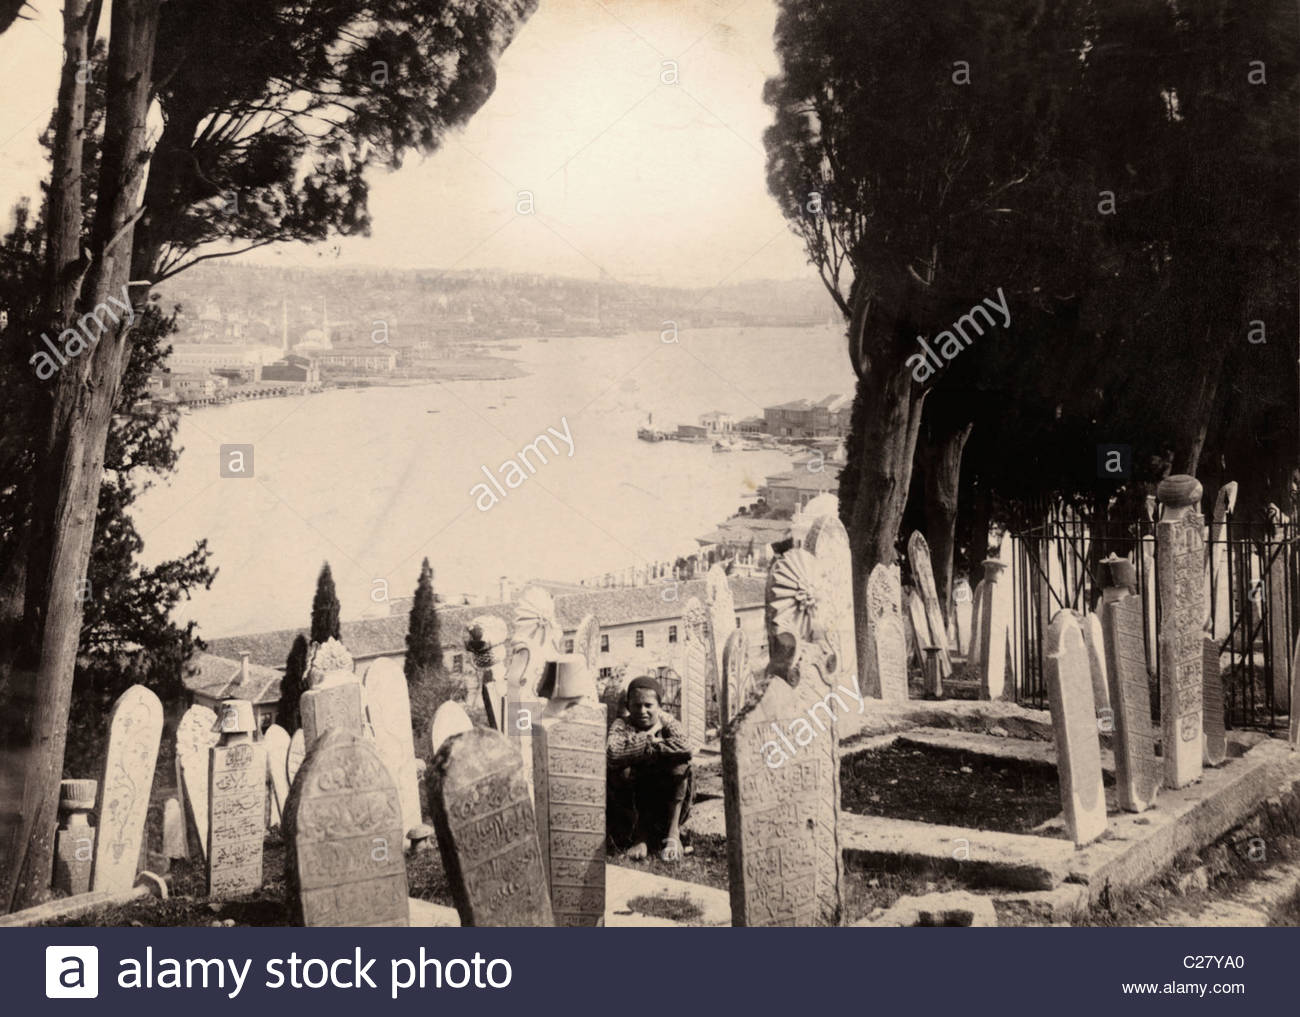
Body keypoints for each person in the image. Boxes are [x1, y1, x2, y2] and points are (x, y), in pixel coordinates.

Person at [606, 675, 693, 862]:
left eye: (648, 705)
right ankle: (639, 837)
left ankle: (673, 834)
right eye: (636, 705)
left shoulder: (667, 722)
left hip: (665, 800)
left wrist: (646, 748)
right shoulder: (622, 724)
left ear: (659, 706)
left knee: (680, 765)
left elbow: (685, 748)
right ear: (628, 706)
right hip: (635, 803)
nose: (642, 711)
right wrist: (652, 743)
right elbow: (613, 753)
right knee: (621, 770)